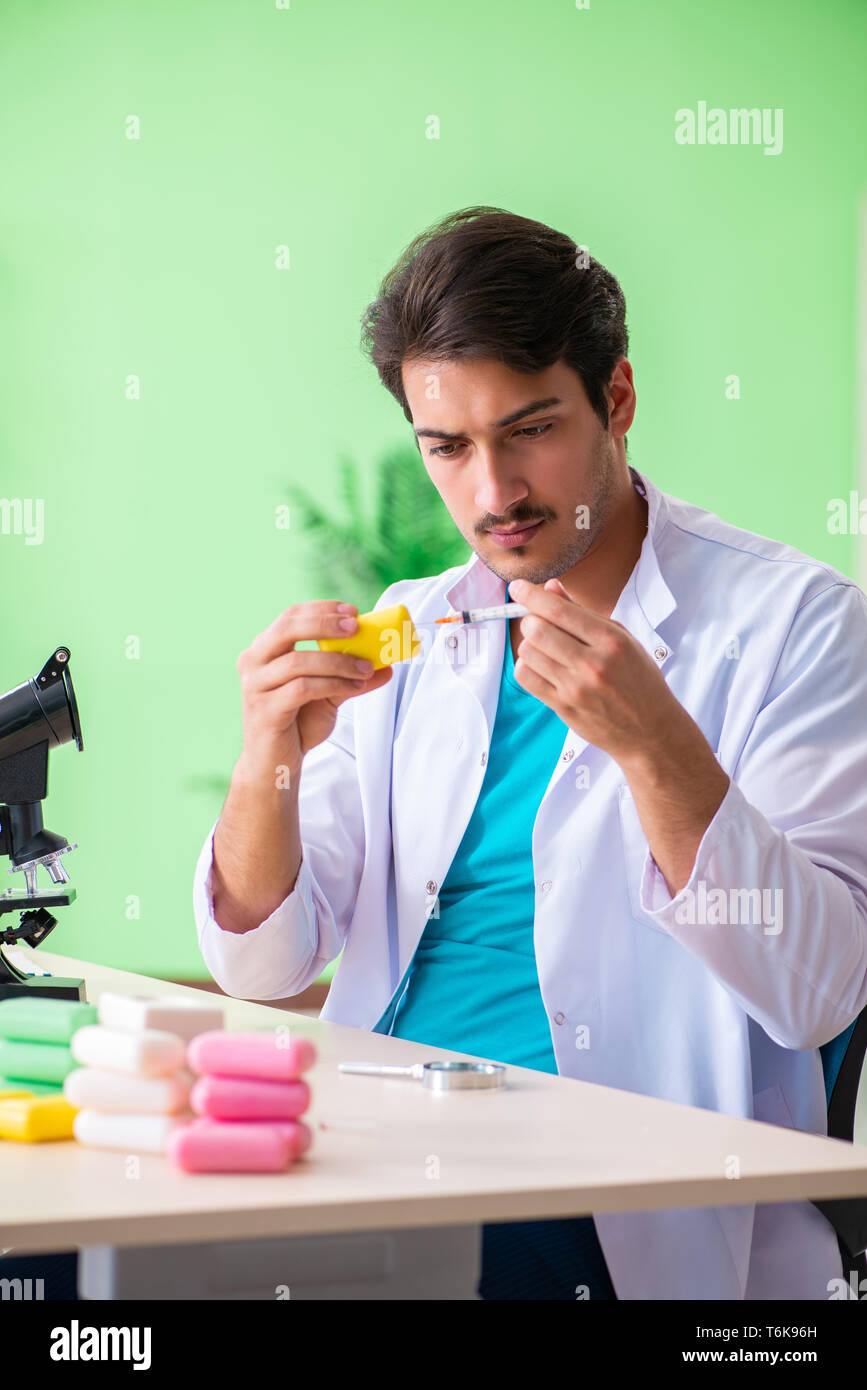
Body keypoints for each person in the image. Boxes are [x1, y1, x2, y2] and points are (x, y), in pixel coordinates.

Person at [193, 206, 867, 1299]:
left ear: (617, 399)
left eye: (531, 429)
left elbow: (819, 990)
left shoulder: (797, 626)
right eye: (448, 447)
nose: (492, 493)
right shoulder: (418, 627)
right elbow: (262, 965)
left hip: (598, 1199)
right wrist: (264, 753)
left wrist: (657, 748)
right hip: (369, 1142)